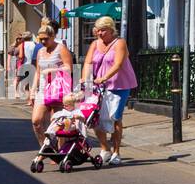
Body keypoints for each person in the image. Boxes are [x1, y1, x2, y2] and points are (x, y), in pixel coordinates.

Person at [81, 16, 137, 166]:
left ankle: (116, 151)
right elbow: (88, 62)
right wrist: (85, 79)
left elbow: (118, 64)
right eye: (97, 30)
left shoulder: (120, 43)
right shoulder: (95, 44)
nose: (99, 33)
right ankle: (105, 148)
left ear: (111, 30)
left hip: (119, 85)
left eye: (103, 30)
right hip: (98, 87)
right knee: (96, 117)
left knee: (115, 117)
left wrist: (104, 77)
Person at [30, 22, 74, 146]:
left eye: (46, 39)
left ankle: (61, 151)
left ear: (53, 36)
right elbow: (38, 73)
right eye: (41, 39)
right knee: (36, 121)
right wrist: (33, 91)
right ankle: (47, 148)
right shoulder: (40, 52)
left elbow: (69, 69)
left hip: (59, 90)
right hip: (43, 91)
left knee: (57, 122)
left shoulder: (61, 49)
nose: (43, 42)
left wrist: (53, 70)